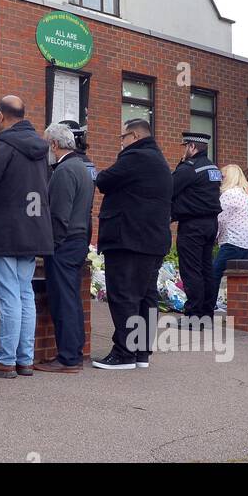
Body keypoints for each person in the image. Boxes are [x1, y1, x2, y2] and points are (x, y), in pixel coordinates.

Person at [0, 96, 54, 377]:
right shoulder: (41, 149)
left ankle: (5, 360)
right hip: (33, 231)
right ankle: (25, 358)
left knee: (9, 297)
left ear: (0, 116)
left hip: (6, 232)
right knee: (25, 295)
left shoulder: (1, 146)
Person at [92, 118, 172, 371]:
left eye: (122, 137)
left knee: (124, 294)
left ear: (135, 136)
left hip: (129, 239)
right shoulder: (157, 159)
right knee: (146, 296)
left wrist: (120, 156)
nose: (121, 142)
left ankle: (124, 353)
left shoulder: (136, 156)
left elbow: (103, 180)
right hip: (152, 240)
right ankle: (140, 352)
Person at [34, 122, 95, 373]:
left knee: (64, 301)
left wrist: (52, 244)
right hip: (78, 239)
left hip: (65, 243)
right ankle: (73, 353)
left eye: (48, 143)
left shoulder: (64, 171)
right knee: (72, 299)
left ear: (54, 144)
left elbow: (59, 214)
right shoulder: (81, 167)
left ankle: (68, 357)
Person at [170, 131, 222, 323]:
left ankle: (194, 315)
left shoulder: (190, 168)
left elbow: (170, 188)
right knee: (206, 269)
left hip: (192, 225)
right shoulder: (213, 168)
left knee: (191, 270)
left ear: (192, 147)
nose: (184, 151)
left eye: (186, 146)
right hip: (210, 224)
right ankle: (206, 314)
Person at [212, 165, 248, 312]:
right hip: (247, 241)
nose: (220, 179)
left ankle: (210, 305)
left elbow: (219, 218)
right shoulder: (244, 193)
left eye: (223, 176)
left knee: (214, 273)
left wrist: (212, 237)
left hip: (233, 240)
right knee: (239, 276)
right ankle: (242, 308)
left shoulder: (228, 194)